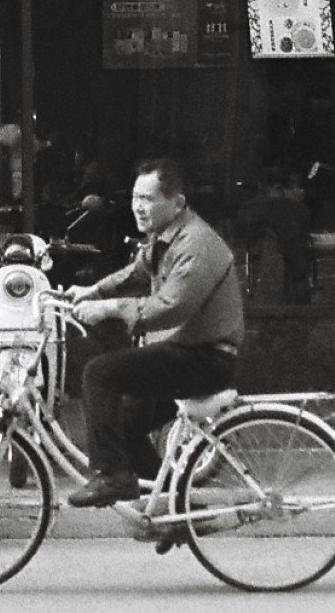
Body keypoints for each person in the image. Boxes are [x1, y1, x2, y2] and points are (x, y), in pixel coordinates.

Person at [64, 158, 244, 507]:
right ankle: (179, 510)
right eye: (135, 197)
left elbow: (170, 307)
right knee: (127, 426)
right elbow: (136, 273)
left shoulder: (195, 243)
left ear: (176, 203)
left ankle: (111, 476)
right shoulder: (164, 238)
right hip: (183, 352)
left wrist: (111, 309)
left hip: (205, 358)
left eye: (148, 199)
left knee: (99, 373)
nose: (138, 207)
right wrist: (92, 291)